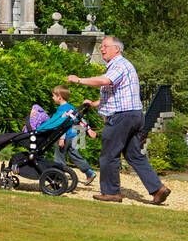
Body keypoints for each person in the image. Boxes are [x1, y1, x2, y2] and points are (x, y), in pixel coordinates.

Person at [67, 35, 171, 204]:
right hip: (134, 115)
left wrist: (79, 80)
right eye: (101, 46)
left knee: (109, 154)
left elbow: (104, 81)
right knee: (134, 155)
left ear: (117, 49)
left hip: (121, 117)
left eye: (105, 46)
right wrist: (94, 104)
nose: (102, 49)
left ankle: (111, 192)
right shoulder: (123, 66)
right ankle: (158, 189)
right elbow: (119, 93)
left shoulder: (119, 64)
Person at [37, 84, 96, 185]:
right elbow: (79, 118)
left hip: (64, 136)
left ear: (59, 97)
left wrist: (61, 138)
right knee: (74, 155)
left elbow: (61, 125)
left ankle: (59, 176)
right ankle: (88, 172)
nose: (52, 98)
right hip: (73, 135)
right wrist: (88, 129)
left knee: (59, 156)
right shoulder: (71, 107)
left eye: (53, 96)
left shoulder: (61, 109)